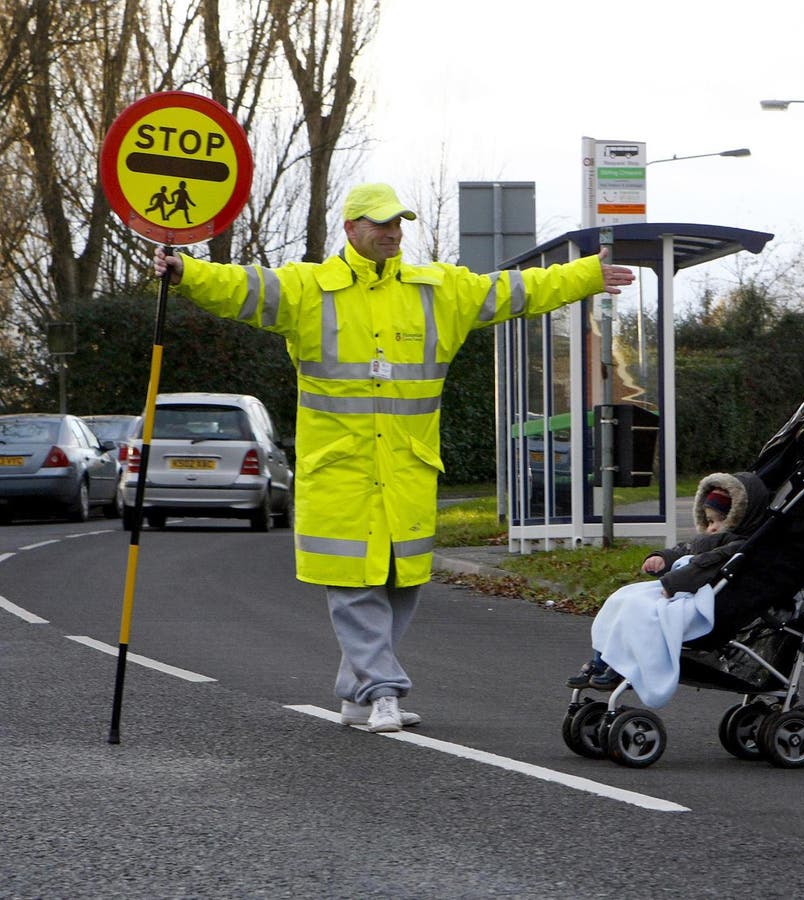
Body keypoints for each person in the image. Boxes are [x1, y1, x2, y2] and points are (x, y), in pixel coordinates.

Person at [153, 182, 634, 733]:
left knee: (400, 585)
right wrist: (186, 272)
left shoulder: (436, 291)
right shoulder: (310, 289)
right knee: (355, 587)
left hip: (406, 470)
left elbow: (513, 291)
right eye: (381, 223)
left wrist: (587, 276)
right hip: (341, 473)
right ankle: (383, 691)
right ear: (350, 228)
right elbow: (241, 287)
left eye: (398, 223)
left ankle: (355, 694)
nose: (393, 233)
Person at [567, 471, 769, 707]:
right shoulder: (707, 539)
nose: (711, 528)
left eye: (717, 521)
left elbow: (706, 566)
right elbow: (684, 550)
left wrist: (673, 583)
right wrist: (663, 557)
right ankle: (601, 658)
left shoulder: (737, 546)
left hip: (698, 599)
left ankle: (622, 665)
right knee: (621, 598)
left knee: (640, 610)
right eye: (709, 521)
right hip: (679, 589)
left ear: (738, 519)